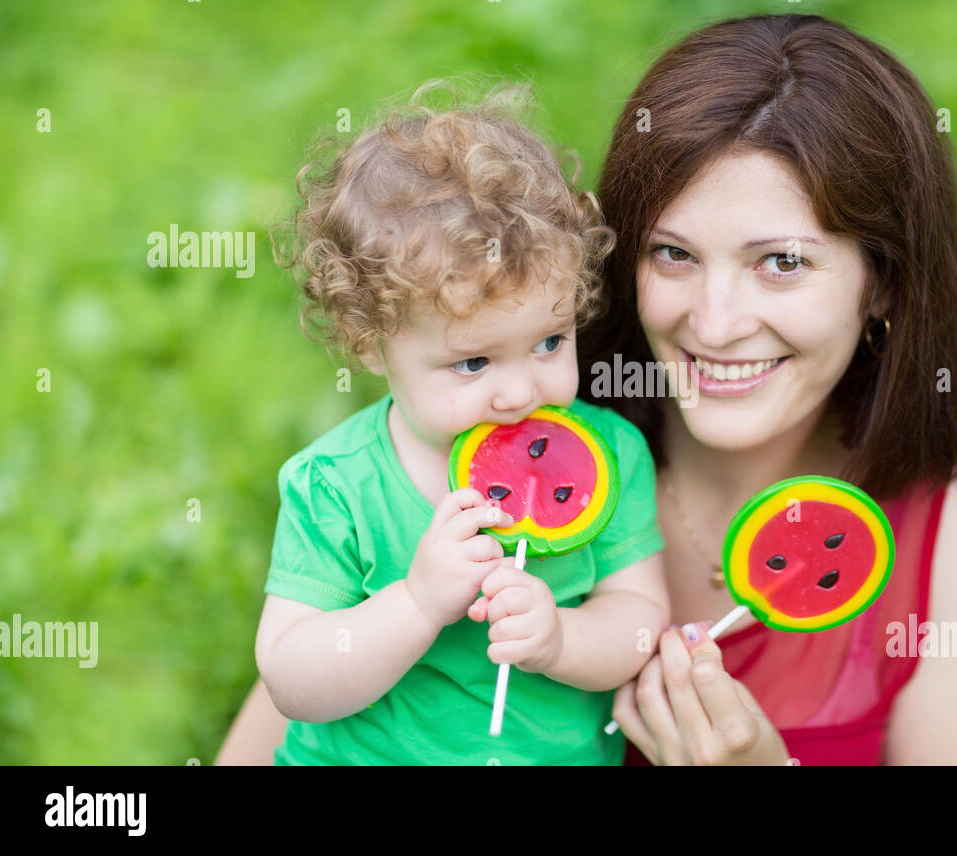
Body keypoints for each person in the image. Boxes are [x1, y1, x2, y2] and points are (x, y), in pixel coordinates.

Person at [218, 13, 957, 766]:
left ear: (883, 283)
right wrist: (420, 604)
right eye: (674, 253)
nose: (717, 321)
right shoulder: (407, 473)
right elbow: (294, 694)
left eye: (781, 263)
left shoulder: (940, 523)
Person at [251, 83, 668, 765]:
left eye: (549, 342)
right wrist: (415, 605)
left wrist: (561, 639)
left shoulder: (609, 457)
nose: (520, 392)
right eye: (473, 361)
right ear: (372, 346)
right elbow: (292, 679)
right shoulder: (336, 487)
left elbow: (640, 622)